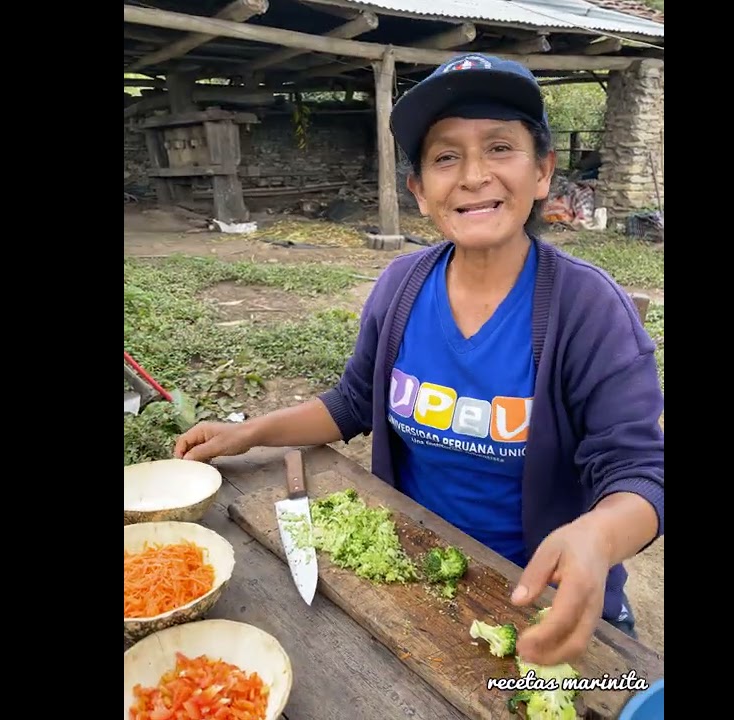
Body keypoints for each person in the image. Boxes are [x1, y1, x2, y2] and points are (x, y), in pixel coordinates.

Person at [173, 53, 664, 666]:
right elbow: (354, 403)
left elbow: (642, 474)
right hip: (423, 579)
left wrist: (596, 539)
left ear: (543, 172)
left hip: (549, 603)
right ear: (419, 189)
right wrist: (249, 433)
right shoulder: (402, 287)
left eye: (500, 148)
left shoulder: (588, 310)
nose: (473, 175)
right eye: (445, 157)